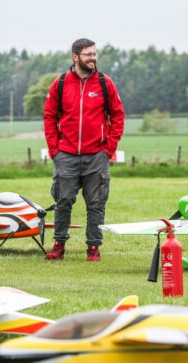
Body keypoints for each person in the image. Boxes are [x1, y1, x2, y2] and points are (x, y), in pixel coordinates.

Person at [43, 38, 125, 261]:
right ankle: (59, 245)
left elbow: (118, 116)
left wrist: (108, 149)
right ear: (75, 56)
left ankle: (93, 248)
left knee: (96, 204)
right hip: (66, 156)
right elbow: (49, 117)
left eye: (94, 54)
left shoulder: (105, 83)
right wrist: (54, 150)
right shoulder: (60, 83)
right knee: (63, 201)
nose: (93, 58)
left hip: (97, 156)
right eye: (88, 54)